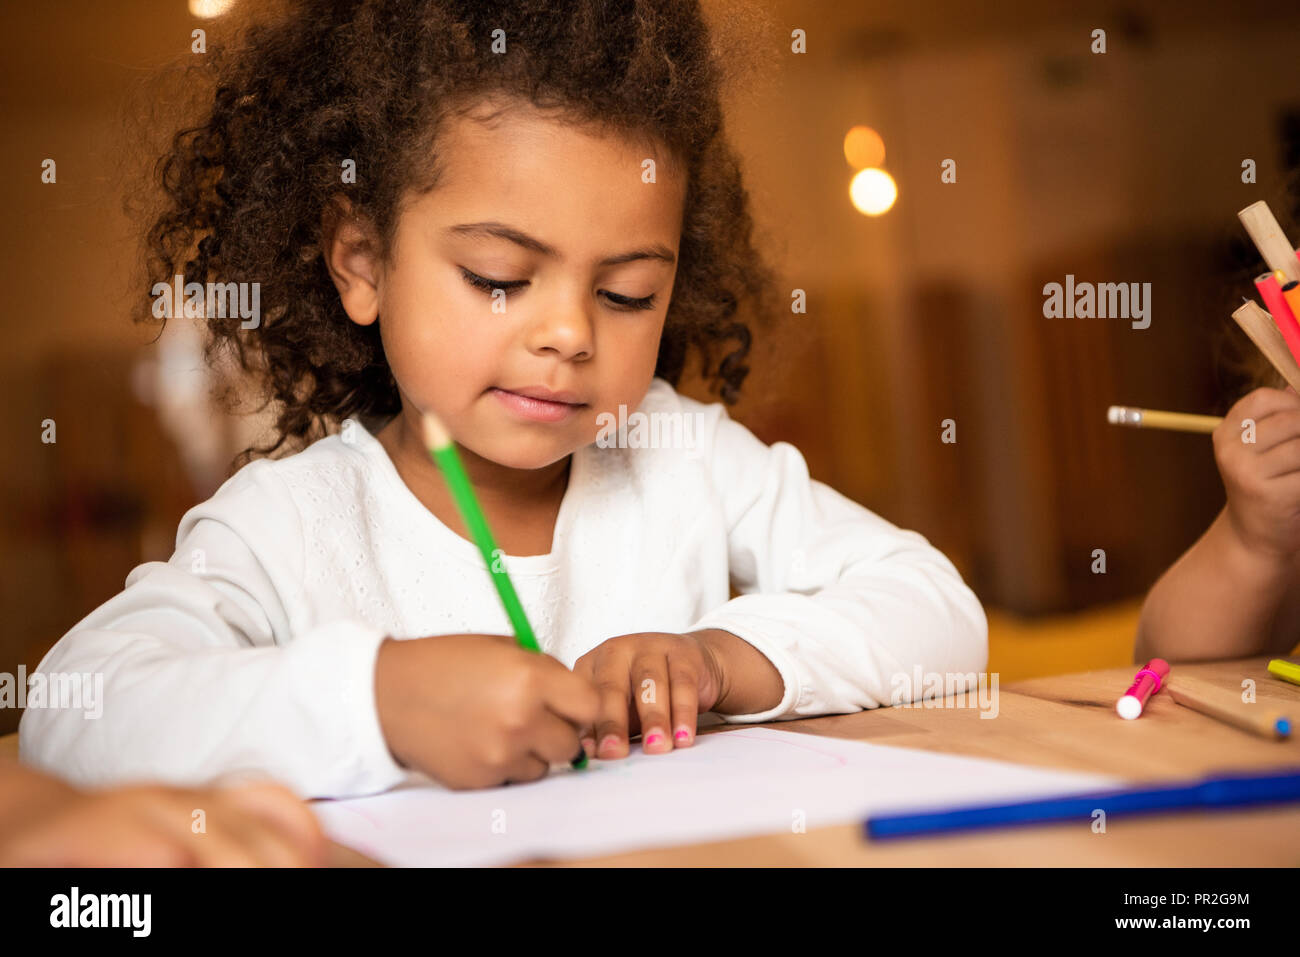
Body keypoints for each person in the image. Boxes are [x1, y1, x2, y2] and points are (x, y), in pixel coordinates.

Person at [21, 0, 986, 799]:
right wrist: (381, 701)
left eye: (625, 294)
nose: (569, 334)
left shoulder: (683, 455)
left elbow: (943, 615)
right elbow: (72, 713)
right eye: (497, 276)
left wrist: (719, 655)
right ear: (361, 262)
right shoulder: (289, 527)